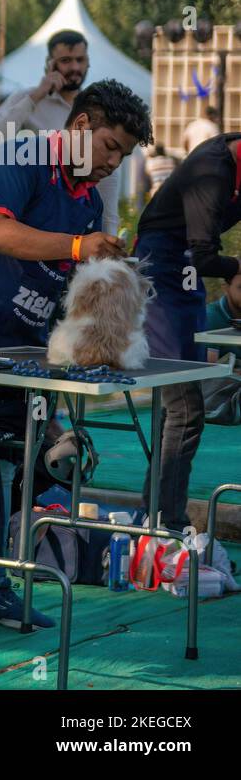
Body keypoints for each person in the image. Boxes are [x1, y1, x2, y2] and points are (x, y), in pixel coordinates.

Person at [0, 79, 151, 641]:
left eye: (125, 155)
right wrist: (75, 247)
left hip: (23, 342)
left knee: (10, 456)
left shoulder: (87, 200)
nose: (114, 163)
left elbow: (71, 281)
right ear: (82, 126)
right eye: (111, 146)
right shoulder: (20, 152)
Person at [134, 128, 241, 531]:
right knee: (184, 408)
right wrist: (237, 267)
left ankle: (157, 518)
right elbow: (204, 254)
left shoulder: (234, 156)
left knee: (180, 410)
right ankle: (168, 524)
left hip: (188, 278)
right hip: (161, 272)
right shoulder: (213, 172)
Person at [0, 30, 123, 236]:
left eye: (80, 60)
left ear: (88, 62)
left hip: (80, 214)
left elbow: (108, 175)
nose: (75, 67)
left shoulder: (97, 109)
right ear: (50, 64)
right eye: (66, 60)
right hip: (34, 214)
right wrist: (38, 94)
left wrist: (110, 234)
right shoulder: (28, 97)